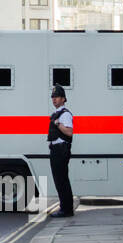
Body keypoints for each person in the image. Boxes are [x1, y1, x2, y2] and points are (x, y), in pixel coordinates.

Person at [47, 85, 75, 217]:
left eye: (57, 97)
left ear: (63, 99)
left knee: (62, 180)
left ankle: (66, 209)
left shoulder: (65, 114)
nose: (54, 99)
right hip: (56, 150)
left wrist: (57, 123)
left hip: (61, 150)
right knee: (59, 180)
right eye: (53, 97)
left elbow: (69, 132)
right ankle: (64, 206)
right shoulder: (57, 114)